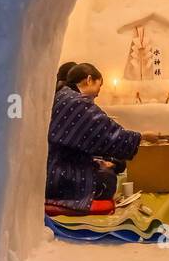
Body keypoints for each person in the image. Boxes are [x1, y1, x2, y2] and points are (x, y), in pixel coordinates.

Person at [47, 62, 161, 210]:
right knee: (108, 181)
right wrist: (141, 136)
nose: (98, 93)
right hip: (58, 172)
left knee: (112, 164)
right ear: (89, 80)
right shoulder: (76, 102)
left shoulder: (63, 95)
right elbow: (109, 134)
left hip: (53, 165)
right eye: (99, 86)